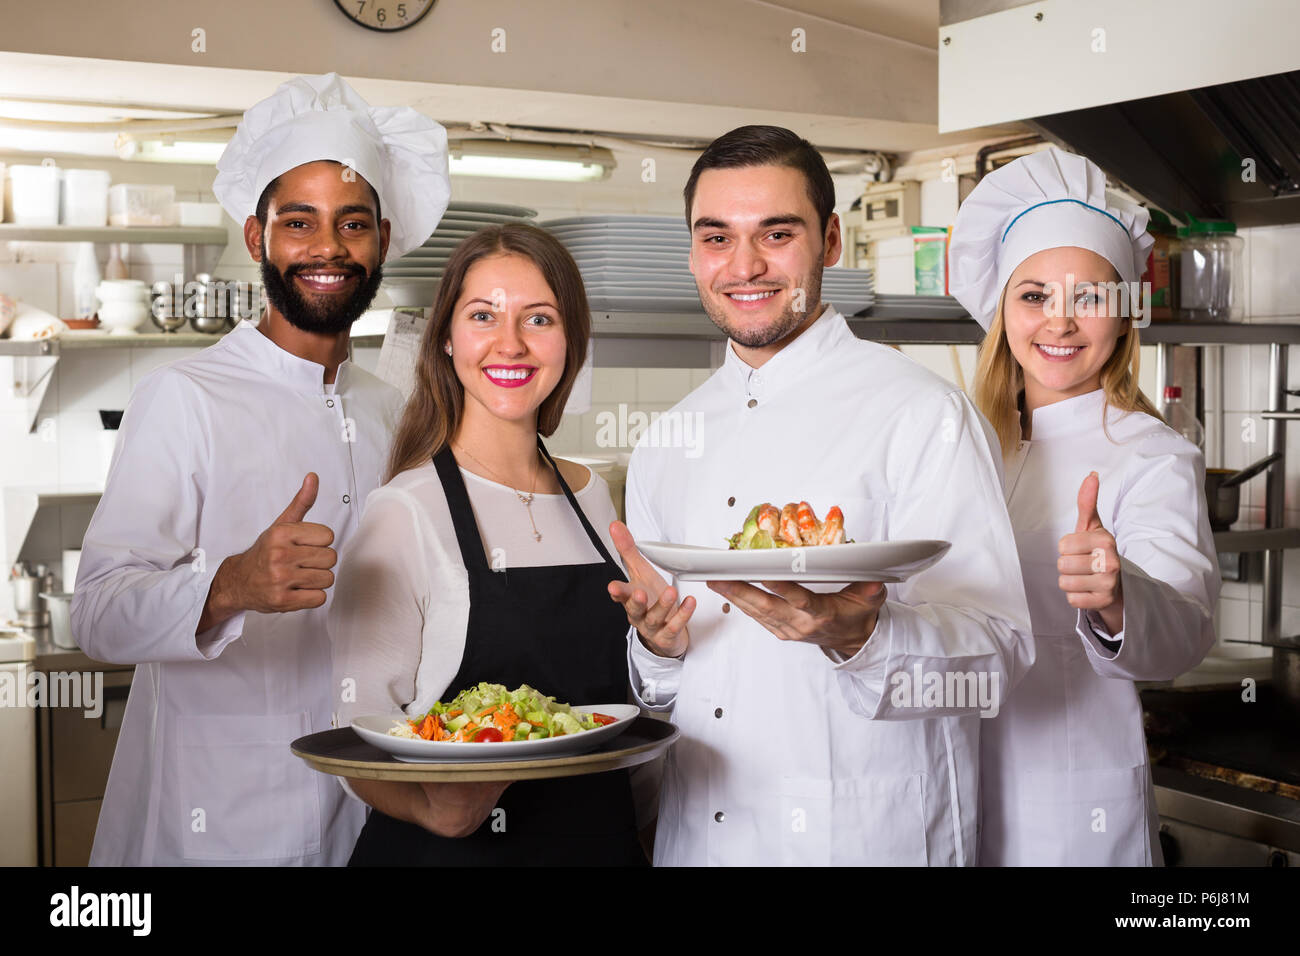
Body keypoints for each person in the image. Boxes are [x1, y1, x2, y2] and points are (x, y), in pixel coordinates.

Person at [606, 125, 1035, 866]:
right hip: (700, 838)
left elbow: (997, 662)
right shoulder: (666, 440)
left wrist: (858, 637)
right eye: (716, 238)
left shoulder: (920, 413)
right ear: (692, 254)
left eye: (777, 233)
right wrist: (657, 648)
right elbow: (672, 690)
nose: (744, 266)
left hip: (867, 838)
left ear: (831, 240)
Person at [70, 72, 449, 865]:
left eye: (351, 224)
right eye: (299, 223)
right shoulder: (185, 396)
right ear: (257, 238)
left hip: (372, 813)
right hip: (222, 817)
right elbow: (98, 616)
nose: (328, 249)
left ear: (382, 236)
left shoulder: (397, 410)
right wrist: (228, 586)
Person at [330, 223, 645, 866]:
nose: (510, 343)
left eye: (539, 318)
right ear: (447, 338)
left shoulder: (594, 495)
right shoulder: (405, 511)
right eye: (483, 315)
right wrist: (432, 811)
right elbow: (353, 732)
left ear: (571, 342)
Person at [948, 146, 1220, 866]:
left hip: (1070, 816)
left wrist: (1118, 598)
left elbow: (1185, 634)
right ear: (1002, 308)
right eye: (1034, 295)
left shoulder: (1150, 456)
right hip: (944, 790)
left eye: (1089, 297)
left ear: (1125, 312)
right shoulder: (961, 449)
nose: (1059, 323)